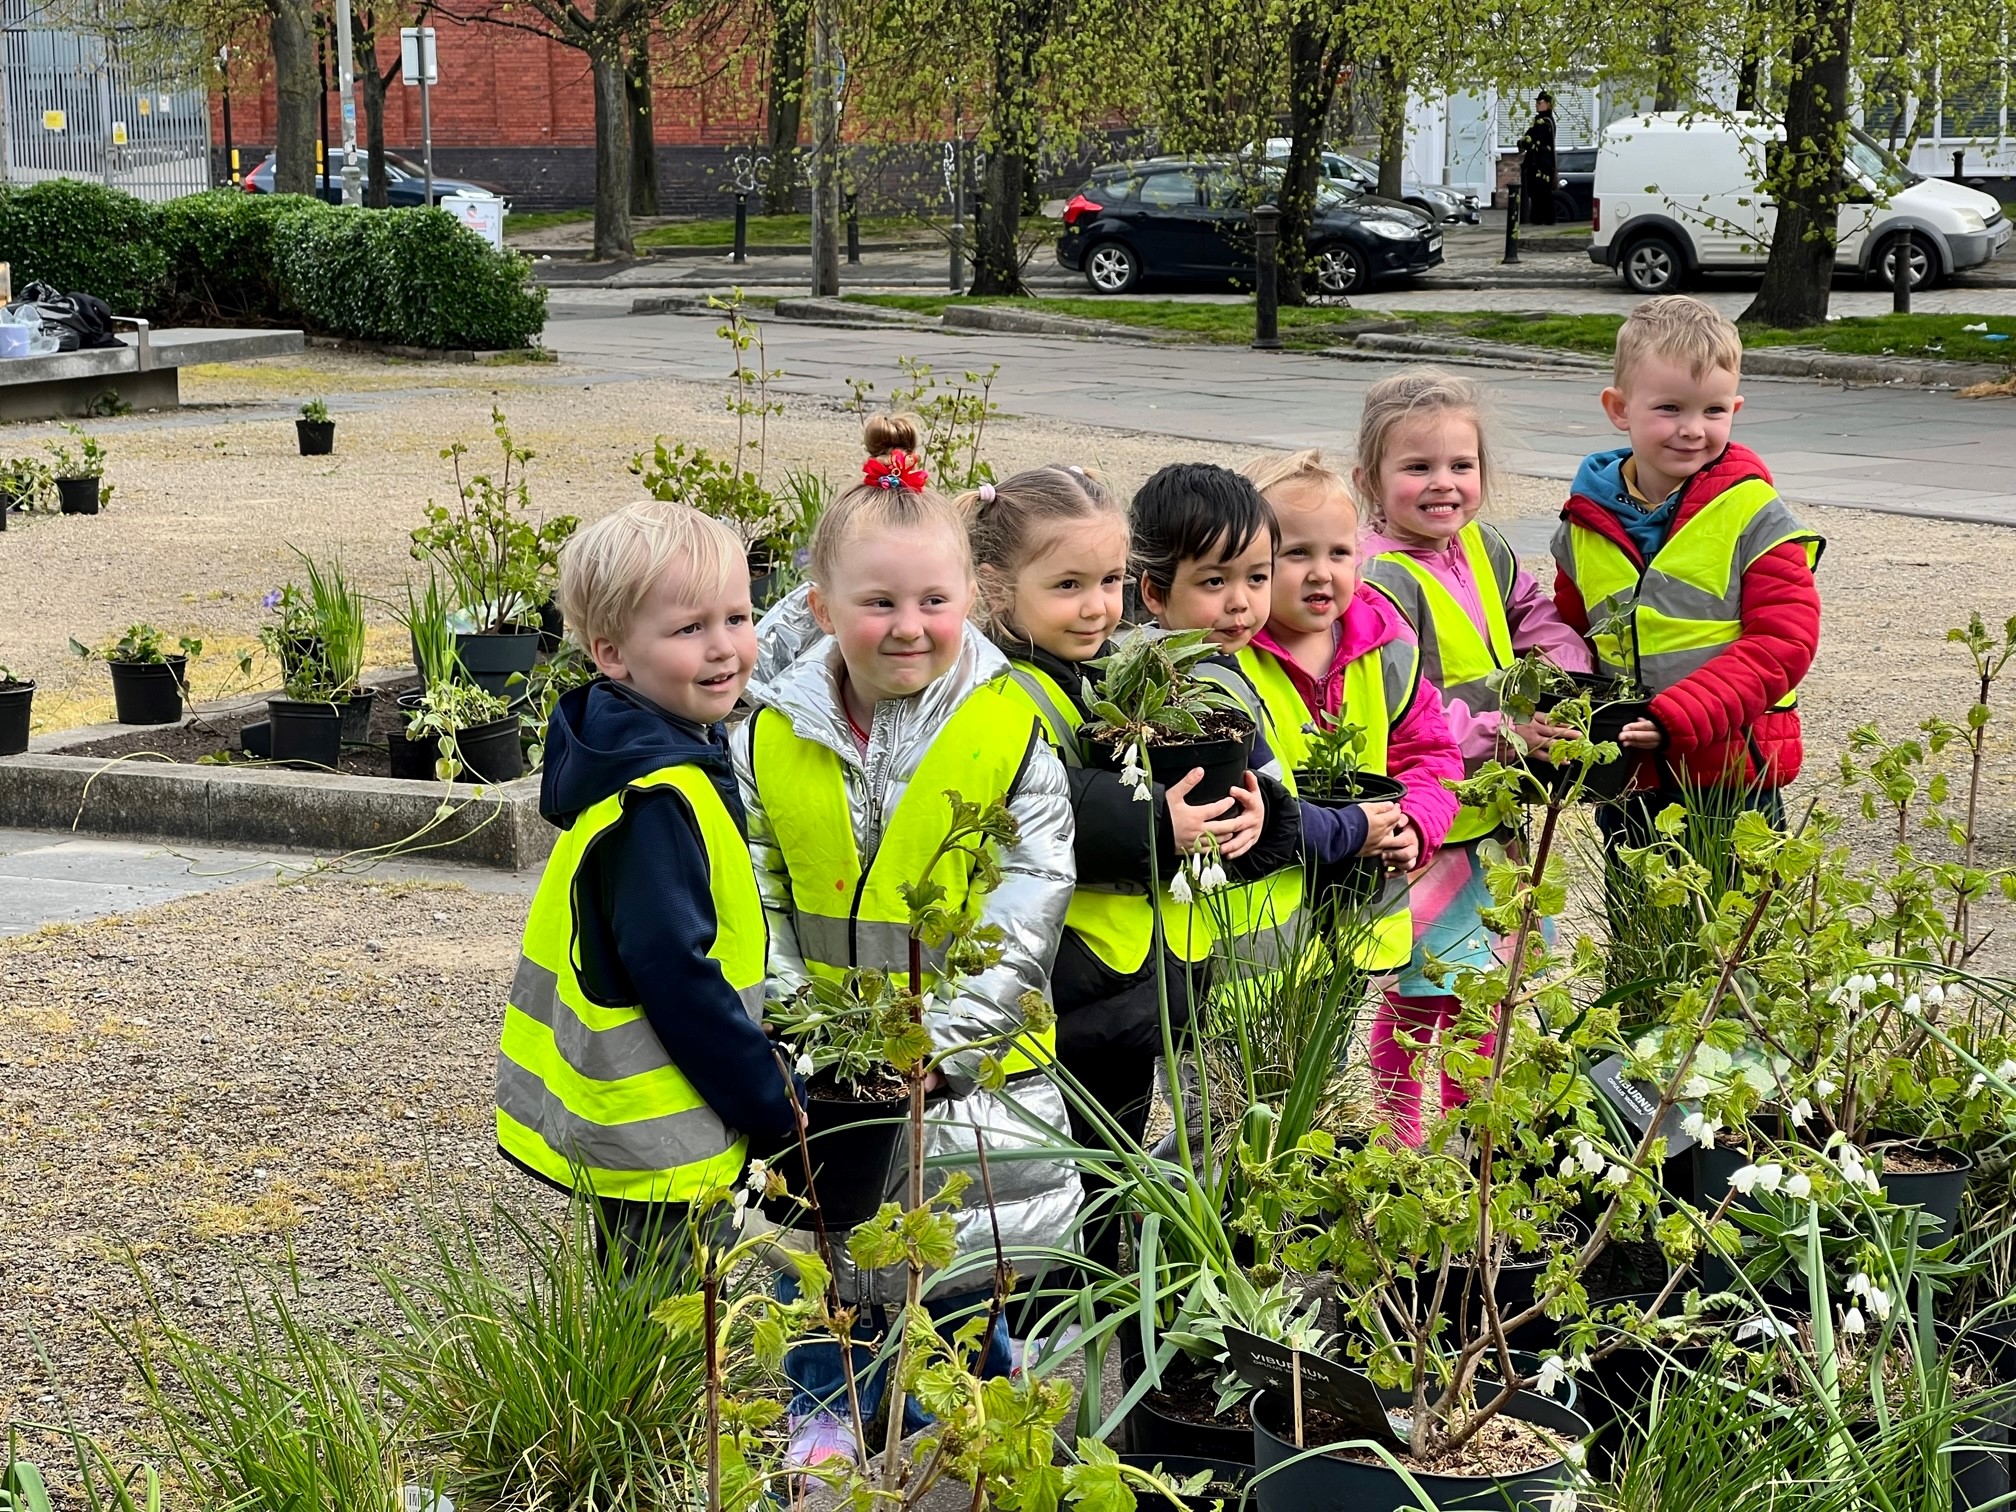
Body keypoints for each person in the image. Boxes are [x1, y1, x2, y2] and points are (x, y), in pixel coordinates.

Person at [734, 417, 1081, 1470]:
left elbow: (1030, 898)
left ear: (969, 597)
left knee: (966, 1279)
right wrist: (810, 1029)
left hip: (971, 1087)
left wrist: (941, 1041)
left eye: (933, 602)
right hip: (828, 1081)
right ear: (822, 604)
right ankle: (827, 1435)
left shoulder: (1009, 723)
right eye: (877, 603)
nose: (906, 627)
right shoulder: (768, 729)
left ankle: (954, 1451)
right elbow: (757, 895)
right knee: (825, 1267)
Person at [969, 464, 1270, 1336]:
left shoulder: (1111, 666)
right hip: (1067, 990)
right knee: (1053, 1164)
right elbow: (1042, 804)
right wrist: (1154, 823)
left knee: (1114, 1150)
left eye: (1106, 582)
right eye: (1066, 586)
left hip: (1127, 982)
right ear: (996, 587)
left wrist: (1259, 812)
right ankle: (1045, 1319)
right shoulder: (1000, 687)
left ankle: (1095, 1301)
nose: (1099, 607)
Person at [494, 500, 800, 1275]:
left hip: (658, 1119)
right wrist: (772, 1102)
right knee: (672, 1328)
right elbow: (677, 976)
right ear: (612, 653)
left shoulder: (646, 748)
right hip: (667, 1125)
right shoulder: (655, 799)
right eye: (689, 629)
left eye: (738, 616)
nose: (725, 647)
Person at [1352, 374, 1593, 1145]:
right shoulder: (1380, 576)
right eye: (1417, 467)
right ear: (1370, 481)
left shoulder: (1481, 548)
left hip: (1488, 818)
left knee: (1487, 989)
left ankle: (1466, 1138)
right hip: (1431, 821)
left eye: (1461, 465)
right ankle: (1402, 1138)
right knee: (1424, 994)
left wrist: (1564, 677)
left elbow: (1533, 614)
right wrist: (1503, 728)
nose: (1443, 484)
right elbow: (1403, 708)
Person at [1553, 294, 1823, 850]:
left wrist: (1677, 716)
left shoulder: (1755, 513)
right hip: (1628, 772)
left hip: (1728, 772)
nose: (1693, 430)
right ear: (1619, 408)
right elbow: (1568, 633)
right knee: (1638, 927)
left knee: (1733, 930)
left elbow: (1785, 642)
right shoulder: (1585, 519)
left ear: (1735, 411)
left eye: (1713, 411)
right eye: (1670, 408)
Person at [1126, 463, 1315, 991]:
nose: (1241, 601)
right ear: (1154, 592)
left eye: (1257, 577)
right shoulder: (1190, 689)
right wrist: (1349, 831)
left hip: (1245, 950)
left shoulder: (1218, 663)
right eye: (1215, 580)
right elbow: (1243, 811)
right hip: (1224, 958)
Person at [1518, 91, 1558, 226]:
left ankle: (1543, 218)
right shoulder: (1538, 121)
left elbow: (1535, 140)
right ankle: (1538, 218)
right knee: (1535, 192)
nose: (1537, 105)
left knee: (1542, 192)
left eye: (1540, 102)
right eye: (1536, 102)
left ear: (1548, 104)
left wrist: (1527, 142)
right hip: (1535, 161)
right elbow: (1528, 137)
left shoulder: (1545, 122)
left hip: (1542, 163)